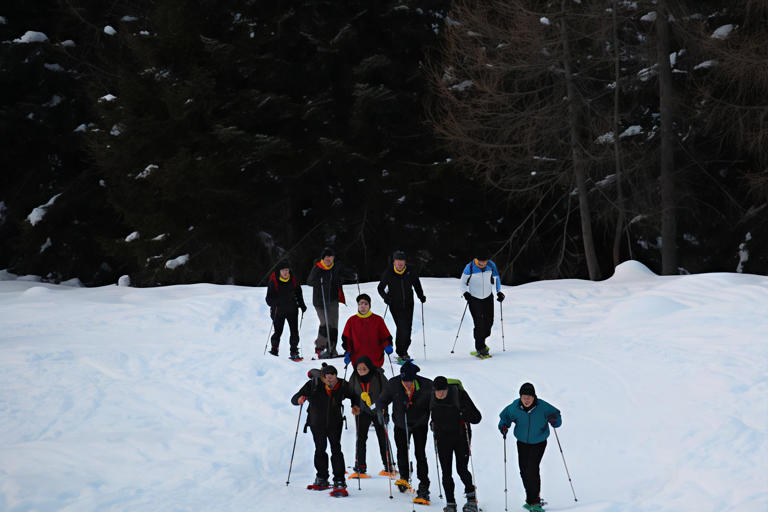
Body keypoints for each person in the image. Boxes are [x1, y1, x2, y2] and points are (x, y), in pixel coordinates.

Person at [291, 363, 360, 497]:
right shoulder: (313, 384)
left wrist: (355, 405)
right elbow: (294, 398)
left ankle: (339, 480)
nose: (330, 381)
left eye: (332, 379)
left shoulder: (342, 385)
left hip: (335, 424)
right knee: (320, 449)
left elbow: (354, 395)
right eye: (327, 378)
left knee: (336, 449)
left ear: (336, 377)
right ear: (322, 377)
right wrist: (299, 400)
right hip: (316, 424)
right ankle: (322, 477)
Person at [375, 360, 433, 505]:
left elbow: (435, 404)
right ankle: (404, 478)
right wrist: (382, 412)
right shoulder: (394, 384)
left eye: (410, 381)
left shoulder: (427, 385)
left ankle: (424, 484)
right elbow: (382, 401)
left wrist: (435, 420)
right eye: (405, 380)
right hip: (401, 424)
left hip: (419, 424)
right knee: (402, 451)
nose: (407, 383)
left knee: (420, 453)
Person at [497, 383, 562, 512]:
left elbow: (557, 417)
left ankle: (535, 502)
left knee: (532, 469)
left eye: (529, 397)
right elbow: (505, 417)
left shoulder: (543, 407)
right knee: (523, 470)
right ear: (520, 397)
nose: (526, 400)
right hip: (522, 442)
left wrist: (554, 420)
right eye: (524, 397)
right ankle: (530, 499)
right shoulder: (515, 407)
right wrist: (503, 426)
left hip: (539, 442)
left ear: (534, 397)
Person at [429, 376, 482, 512]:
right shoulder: (431, 397)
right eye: (438, 391)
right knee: (446, 472)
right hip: (442, 438)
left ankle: (472, 500)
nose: (440, 394)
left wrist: (463, 414)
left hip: (461, 437)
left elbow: (477, 417)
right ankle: (450, 503)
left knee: (462, 469)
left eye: (443, 390)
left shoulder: (459, 395)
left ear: (448, 388)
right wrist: (432, 423)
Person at [348, 355, 397, 478]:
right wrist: (354, 405)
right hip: (362, 411)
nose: (361, 371)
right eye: (359, 369)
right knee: (361, 438)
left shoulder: (378, 375)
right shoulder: (354, 377)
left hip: (378, 410)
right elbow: (351, 392)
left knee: (382, 437)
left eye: (364, 369)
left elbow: (387, 391)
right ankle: (360, 466)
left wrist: (384, 407)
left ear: (369, 368)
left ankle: (388, 465)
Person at [306, 248, 357, 359]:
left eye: (331, 257)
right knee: (325, 323)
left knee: (333, 325)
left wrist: (353, 275)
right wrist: (318, 279)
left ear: (333, 258)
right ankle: (320, 347)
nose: (328, 259)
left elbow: (345, 273)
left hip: (333, 300)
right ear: (323, 258)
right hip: (320, 301)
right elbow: (309, 281)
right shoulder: (318, 267)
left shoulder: (336, 266)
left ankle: (332, 349)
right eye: (326, 257)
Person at [377, 250, 426, 363]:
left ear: (405, 262)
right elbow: (380, 288)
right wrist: (386, 298)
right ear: (394, 262)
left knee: (408, 329)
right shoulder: (389, 272)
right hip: (395, 304)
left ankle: (404, 351)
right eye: (397, 260)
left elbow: (416, 283)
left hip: (409, 304)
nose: (400, 263)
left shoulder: (410, 270)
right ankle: (401, 352)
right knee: (402, 327)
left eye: (402, 260)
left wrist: (421, 295)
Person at [459, 253, 504, 357]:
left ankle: (482, 341)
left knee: (489, 322)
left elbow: (496, 278)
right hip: (474, 298)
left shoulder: (491, 265)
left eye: (485, 262)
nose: (483, 264)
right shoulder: (470, 267)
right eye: (480, 262)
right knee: (479, 323)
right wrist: (465, 293)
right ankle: (480, 347)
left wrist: (498, 292)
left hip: (488, 297)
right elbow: (462, 282)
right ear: (476, 259)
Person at [265, 261, 307, 359]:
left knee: (294, 331)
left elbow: (299, 294)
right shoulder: (274, 281)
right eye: (283, 270)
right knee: (278, 331)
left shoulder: (293, 280)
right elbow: (268, 299)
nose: (285, 272)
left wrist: (302, 305)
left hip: (292, 310)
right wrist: (276, 302)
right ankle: (274, 349)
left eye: (287, 270)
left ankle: (294, 351)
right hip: (278, 311)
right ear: (279, 271)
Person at [341, 294, 393, 369]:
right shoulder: (351, 321)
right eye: (360, 304)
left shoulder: (378, 320)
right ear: (358, 305)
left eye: (366, 304)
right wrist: (348, 352)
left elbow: (384, 337)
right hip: (358, 360)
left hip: (375, 360)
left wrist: (387, 345)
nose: (363, 306)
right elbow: (347, 340)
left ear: (369, 306)